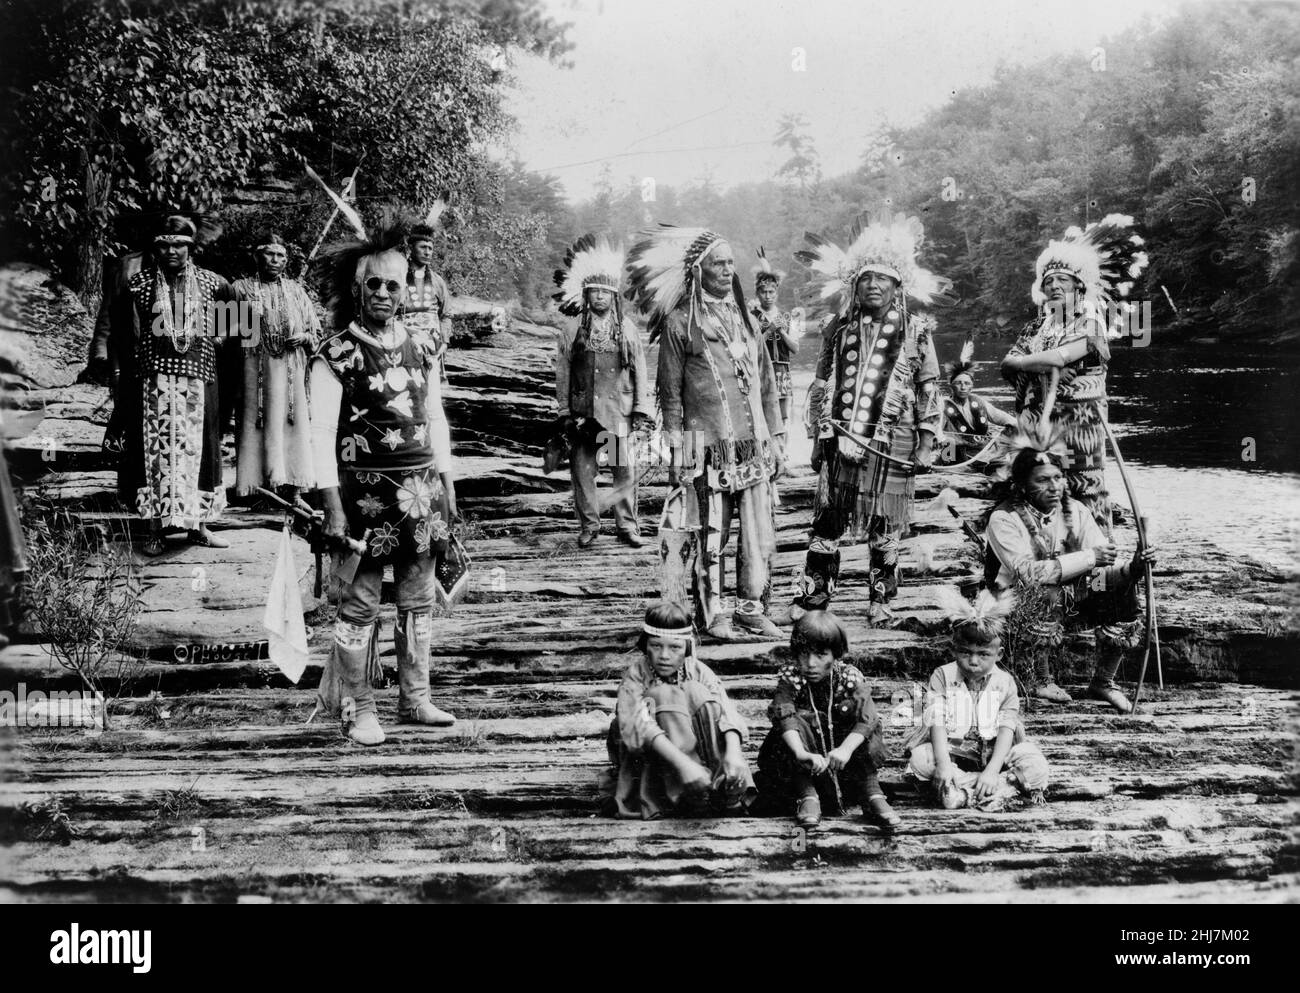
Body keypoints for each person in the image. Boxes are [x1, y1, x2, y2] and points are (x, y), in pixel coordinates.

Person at [309, 219, 459, 745]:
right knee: (361, 604)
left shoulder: (423, 347)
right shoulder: (335, 354)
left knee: (418, 600)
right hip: (361, 498)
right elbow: (320, 434)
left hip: (421, 493)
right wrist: (332, 508)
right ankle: (359, 707)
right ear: (356, 287)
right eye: (373, 283)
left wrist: (449, 482)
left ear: (405, 289)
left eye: (393, 284)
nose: (383, 293)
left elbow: (435, 417)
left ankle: (415, 699)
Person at [626, 226, 787, 640]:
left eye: (731, 263)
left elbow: (767, 383)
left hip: (752, 447)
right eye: (718, 262)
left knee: (756, 531)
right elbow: (671, 392)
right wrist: (679, 451)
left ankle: (752, 608)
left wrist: (778, 437)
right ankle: (711, 614)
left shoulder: (747, 318)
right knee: (710, 532)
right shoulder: (680, 323)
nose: (727, 269)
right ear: (698, 271)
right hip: (705, 447)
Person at [790, 211, 948, 623]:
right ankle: (815, 596)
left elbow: (929, 388)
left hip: (893, 439)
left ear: (898, 286)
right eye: (866, 278)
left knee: (884, 524)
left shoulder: (916, 330)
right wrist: (815, 442)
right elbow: (822, 385)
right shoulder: (838, 330)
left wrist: (928, 443)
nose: (873, 285)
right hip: (840, 438)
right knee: (828, 520)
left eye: (882, 279)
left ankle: (881, 601)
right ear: (855, 286)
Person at [984, 441, 1158, 713]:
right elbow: (1028, 573)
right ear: (1021, 485)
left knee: (1122, 588)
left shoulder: (1075, 510)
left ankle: (1103, 681)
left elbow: (1102, 569)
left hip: (1073, 596)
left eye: (1058, 478)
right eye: (1042, 480)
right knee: (1045, 590)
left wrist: (1133, 568)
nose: (1054, 487)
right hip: (1013, 606)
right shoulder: (1003, 518)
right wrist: (1090, 557)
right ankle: (1038, 679)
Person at [1000, 215, 1148, 527]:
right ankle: (1049, 560)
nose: (1053, 286)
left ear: (1079, 287)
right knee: (1039, 490)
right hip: (1039, 426)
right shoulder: (1035, 327)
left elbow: (1059, 357)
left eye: (1062, 280)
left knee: (1084, 491)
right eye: (1048, 281)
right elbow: (1007, 365)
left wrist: (1035, 362)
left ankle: (1096, 564)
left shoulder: (1091, 324)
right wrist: (1040, 364)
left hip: (1081, 426)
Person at [120, 215, 235, 556]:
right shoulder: (139, 284)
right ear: (155, 248)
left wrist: (216, 338)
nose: (172, 251)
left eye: (179, 245)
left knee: (199, 452)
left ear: (191, 247)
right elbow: (127, 336)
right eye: (164, 245)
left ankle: (199, 526)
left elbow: (243, 328)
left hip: (200, 379)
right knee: (155, 454)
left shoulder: (215, 283)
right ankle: (155, 529)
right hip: (153, 380)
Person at [604, 601, 755, 819]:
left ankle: (722, 787)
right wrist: (684, 765)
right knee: (663, 695)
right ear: (645, 645)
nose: (664, 655)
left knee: (697, 692)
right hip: (654, 757)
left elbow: (726, 712)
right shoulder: (635, 677)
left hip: (700, 760)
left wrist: (734, 753)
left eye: (674, 647)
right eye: (656, 646)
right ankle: (686, 795)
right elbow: (640, 726)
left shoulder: (697, 671)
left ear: (687, 648)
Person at [904, 588, 1050, 810]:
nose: (973, 661)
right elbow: (937, 722)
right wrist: (943, 765)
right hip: (954, 754)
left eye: (983, 654)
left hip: (995, 757)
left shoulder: (1005, 682)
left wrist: (991, 771)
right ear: (954, 650)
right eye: (966, 652)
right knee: (920, 759)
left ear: (998, 654)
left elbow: (1006, 728)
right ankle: (990, 791)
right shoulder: (942, 675)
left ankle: (966, 794)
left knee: (1036, 764)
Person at [755, 610, 899, 829]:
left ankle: (871, 792)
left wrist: (846, 750)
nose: (810, 663)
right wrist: (801, 752)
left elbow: (867, 716)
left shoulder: (849, 676)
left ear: (835, 654)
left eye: (820, 655)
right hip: (807, 761)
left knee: (868, 724)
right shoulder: (791, 676)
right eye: (804, 654)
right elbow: (784, 712)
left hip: (843, 761)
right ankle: (807, 794)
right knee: (790, 724)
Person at [552, 235, 652, 547]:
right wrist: (565, 412)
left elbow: (641, 375)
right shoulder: (572, 331)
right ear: (585, 295)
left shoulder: (628, 331)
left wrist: (640, 412)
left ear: (613, 297)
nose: (599, 297)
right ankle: (589, 526)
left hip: (618, 414)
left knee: (624, 471)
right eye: (594, 291)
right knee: (583, 473)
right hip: (584, 418)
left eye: (605, 292)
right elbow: (563, 374)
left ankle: (626, 527)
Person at [232, 232, 320, 501]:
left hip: (291, 368)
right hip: (253, 369)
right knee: (255, 423)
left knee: (291, 424)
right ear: (257, 256)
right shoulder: (240, 288)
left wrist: (305, 337)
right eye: (269, 254)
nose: (275, 260)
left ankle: (293, 488)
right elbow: (223, 331)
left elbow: (314, 330)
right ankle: (258, 488)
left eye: (281, 255)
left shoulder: (296, 290)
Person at [941, 339, 1016, 463]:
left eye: (967, 383)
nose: (963, 387)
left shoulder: (979, 402)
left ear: (972, 386)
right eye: (958, 383)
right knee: (948, 444)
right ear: (951, 386)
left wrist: (1017, 427)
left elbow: (1004, 418)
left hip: (981, 450)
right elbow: (936, 433)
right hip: (954, 452)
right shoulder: (942, 406)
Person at [749, 248, 798, 428]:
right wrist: (769, 331)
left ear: (776, 293)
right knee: (761, 413)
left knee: (783, 417)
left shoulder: (787, 316)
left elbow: (795, 348)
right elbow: (750, 346)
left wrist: (782, 332)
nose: (768, 296)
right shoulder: (751, 316)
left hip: (782, 371)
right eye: (764, 292)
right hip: (761, 370)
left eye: (771, 292)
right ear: (757, 293)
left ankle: (784, 454)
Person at [404, 221, 451, 381]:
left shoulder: (438, 282)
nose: (427, 252)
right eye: (423, 247)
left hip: (432, 347)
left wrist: (444, 342)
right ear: (411, 248)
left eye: (430, 248)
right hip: (403, 345)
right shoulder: (398, 277)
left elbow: (445, 315)